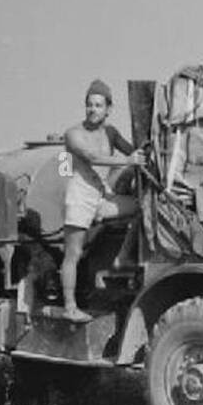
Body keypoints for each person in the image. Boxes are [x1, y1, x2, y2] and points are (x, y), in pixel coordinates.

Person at [60, 79, 144, 322]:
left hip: (102, 194)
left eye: (98, 105)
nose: (93, 110)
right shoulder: (73, 134)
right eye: (89, 105)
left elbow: (133, 150)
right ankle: (70, 307)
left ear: (108, 109)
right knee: (73, 253)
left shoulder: (111, 132)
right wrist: (129, 162)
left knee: (142, 207)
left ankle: (123, 257)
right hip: (80, 195)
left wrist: (145, 153)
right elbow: (92, 157)